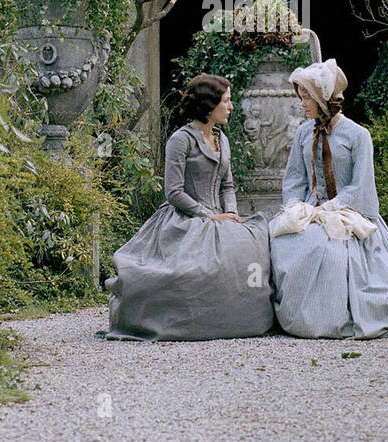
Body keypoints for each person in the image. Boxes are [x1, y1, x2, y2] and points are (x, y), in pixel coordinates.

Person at [105, 74, 275, 340]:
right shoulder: (180, 140)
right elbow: (174, 192)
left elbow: (227, 186)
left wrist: (232, 215)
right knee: (183, 274)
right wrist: (209, 216)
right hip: (185, 218)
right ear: (209, 104)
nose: (230, 107)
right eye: (226, 101)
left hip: (222, 217)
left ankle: (242, 318)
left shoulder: (223, 139)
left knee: (250, 255)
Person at [269, 59, 388, 339]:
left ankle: (330, 318)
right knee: (282, 240)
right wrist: (297, 206)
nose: (302, 103)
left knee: (328, 251)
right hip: (310, 208)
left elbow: (360, 187)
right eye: (301, 97)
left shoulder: (358, 135)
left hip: (349, 212)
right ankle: (293, 314)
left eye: (307, 97)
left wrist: (330, 208)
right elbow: (294, 176)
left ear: (323, 99)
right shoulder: (303, 133)